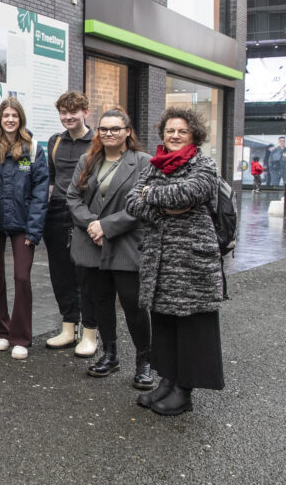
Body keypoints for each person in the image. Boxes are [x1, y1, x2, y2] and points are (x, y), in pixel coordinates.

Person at [126, 107, 225, 416]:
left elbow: (192, 191)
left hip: (192, 263)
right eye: (170, 130)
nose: (175, 135)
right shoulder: (154, 165)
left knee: (191, 326)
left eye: (182, 130)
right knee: (165, 324)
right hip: (159, 261)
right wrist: (164, 206)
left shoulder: (203, 164)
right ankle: (167, 381)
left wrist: (151, 194)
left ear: (193, 134)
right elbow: (132, 201)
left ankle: (184, 391)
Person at [66, 109, 153, 389]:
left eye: (115, 129)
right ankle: (110, 355)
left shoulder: (143, 163)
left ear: (128, 131)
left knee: (133, 305)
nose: (108, 134)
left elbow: (145, 204)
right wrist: (93, 225)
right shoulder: (88, 160)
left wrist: (107, 226)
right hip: (93, 244)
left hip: (126, 244)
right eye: (104, 129)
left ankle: (144, 362)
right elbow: (72, 197)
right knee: (101, 301)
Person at [0, 98, 49, 360]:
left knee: (22, 278)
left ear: (21, 118)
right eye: (5, 115)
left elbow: (40, 192)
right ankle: (0, 332)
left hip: (23, 223)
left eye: (14, 115)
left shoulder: (33, 149)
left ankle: (21, 336)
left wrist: (34, 231)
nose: (10, 119)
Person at [43, 91, 98, 356]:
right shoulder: (55, 141)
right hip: (56, 214)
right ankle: (68, 327)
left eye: (73, 112)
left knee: (85, 275)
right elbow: (52, 178)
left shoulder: (97, 141)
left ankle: (89, 332)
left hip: (85, 215)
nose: (68, 117)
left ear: (85, 112)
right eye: (63, 112)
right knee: (60, 273)